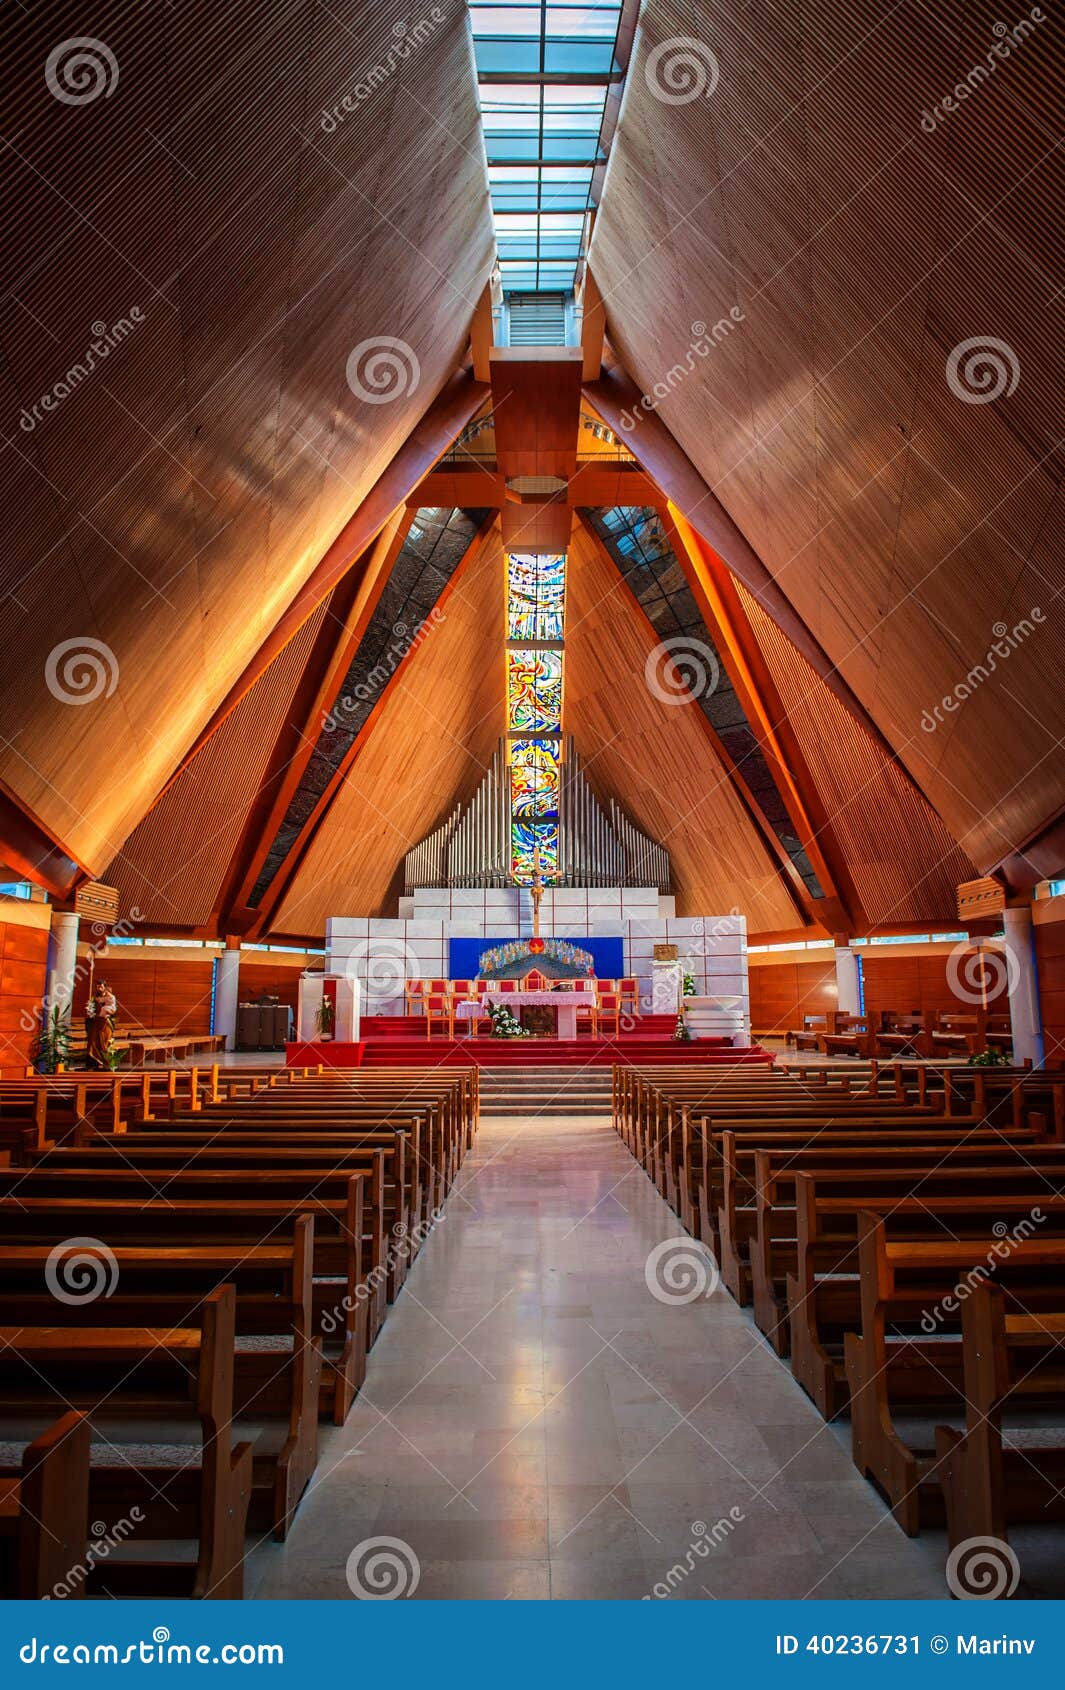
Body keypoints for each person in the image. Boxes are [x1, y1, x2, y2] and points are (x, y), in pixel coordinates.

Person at [86, 980, 118, 1070]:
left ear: (105, 987)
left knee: (104, 1042)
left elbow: (113, 1009)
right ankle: (94, 1063)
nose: (99, 989)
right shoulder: (94, 997)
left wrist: (105, 1009)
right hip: (96, 1022)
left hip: (105, 1023)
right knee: (93, 1043)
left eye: (100, 987)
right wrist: (90, 1011)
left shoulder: (110, 997)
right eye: (97, 987)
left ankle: (105, 1063)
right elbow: (90, 1008)